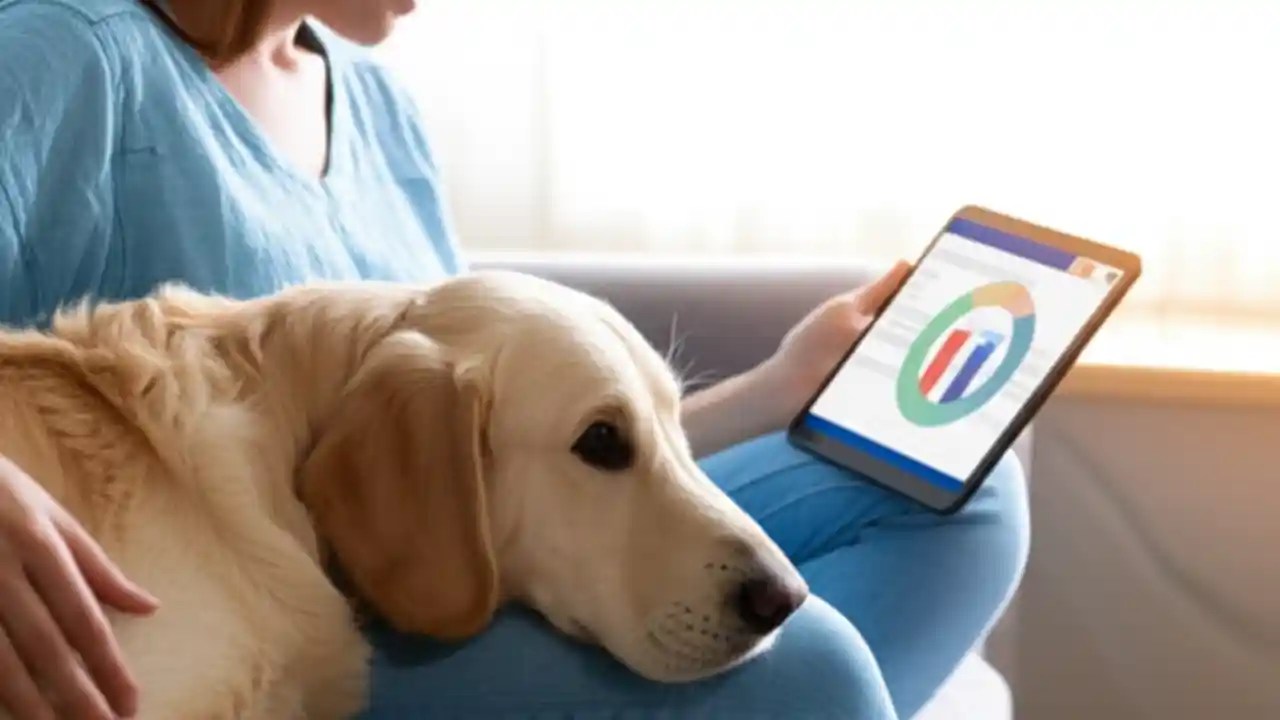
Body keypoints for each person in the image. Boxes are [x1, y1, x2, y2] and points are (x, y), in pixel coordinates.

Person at [0, 0, 1030, 718]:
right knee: (806, 672)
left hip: (458, 555)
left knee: (956, 497)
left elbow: (515, 446)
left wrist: (772, 393)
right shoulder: (66, 54)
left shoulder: (378, 106)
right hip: (287, 605)